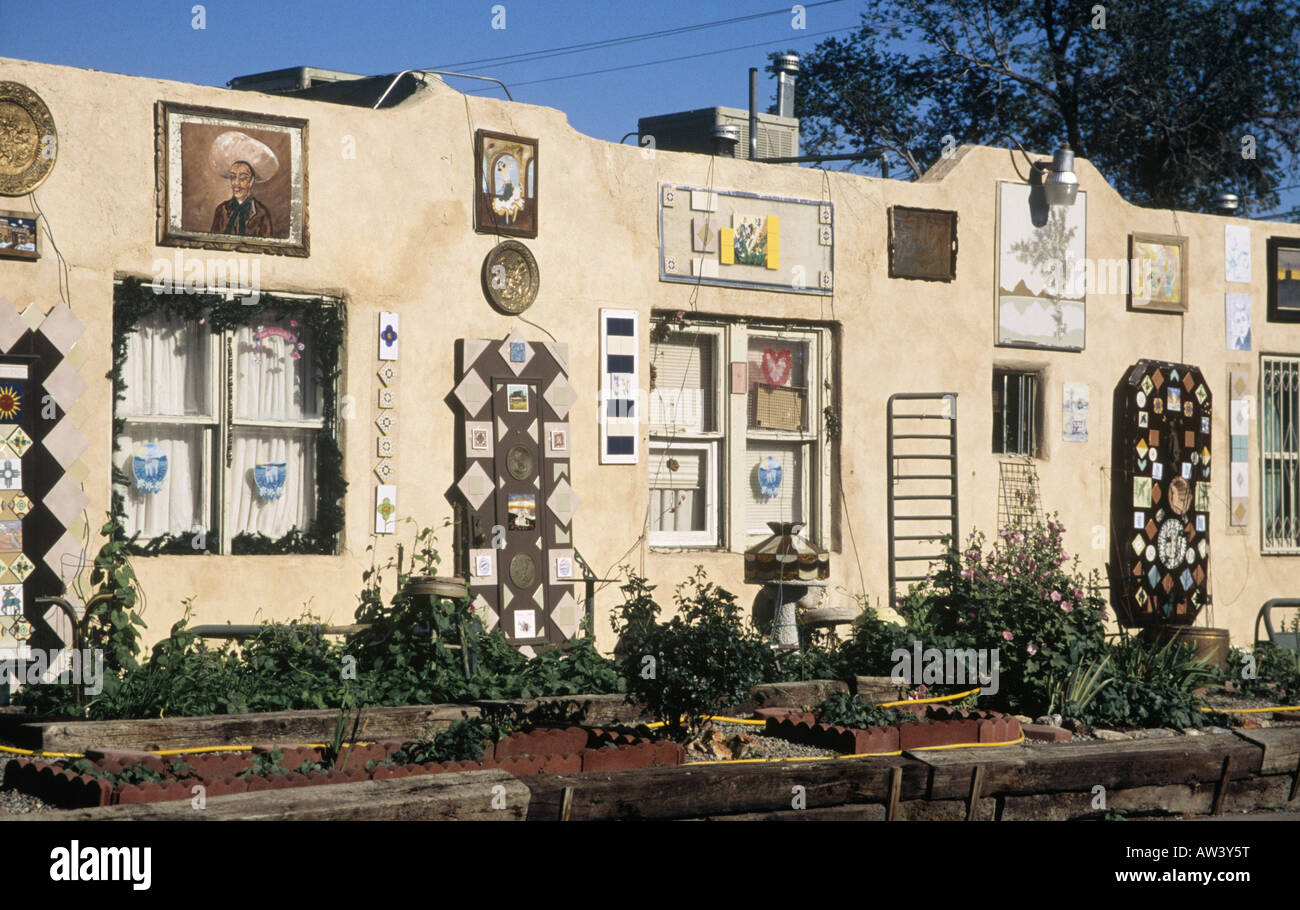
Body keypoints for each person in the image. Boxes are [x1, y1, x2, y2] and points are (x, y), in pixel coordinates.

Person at [207, 131, 279, 237]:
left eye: (243, 178)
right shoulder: (221, 210)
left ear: (251, 181)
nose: (236, 183)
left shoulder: (261, 213)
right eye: (233, 177)